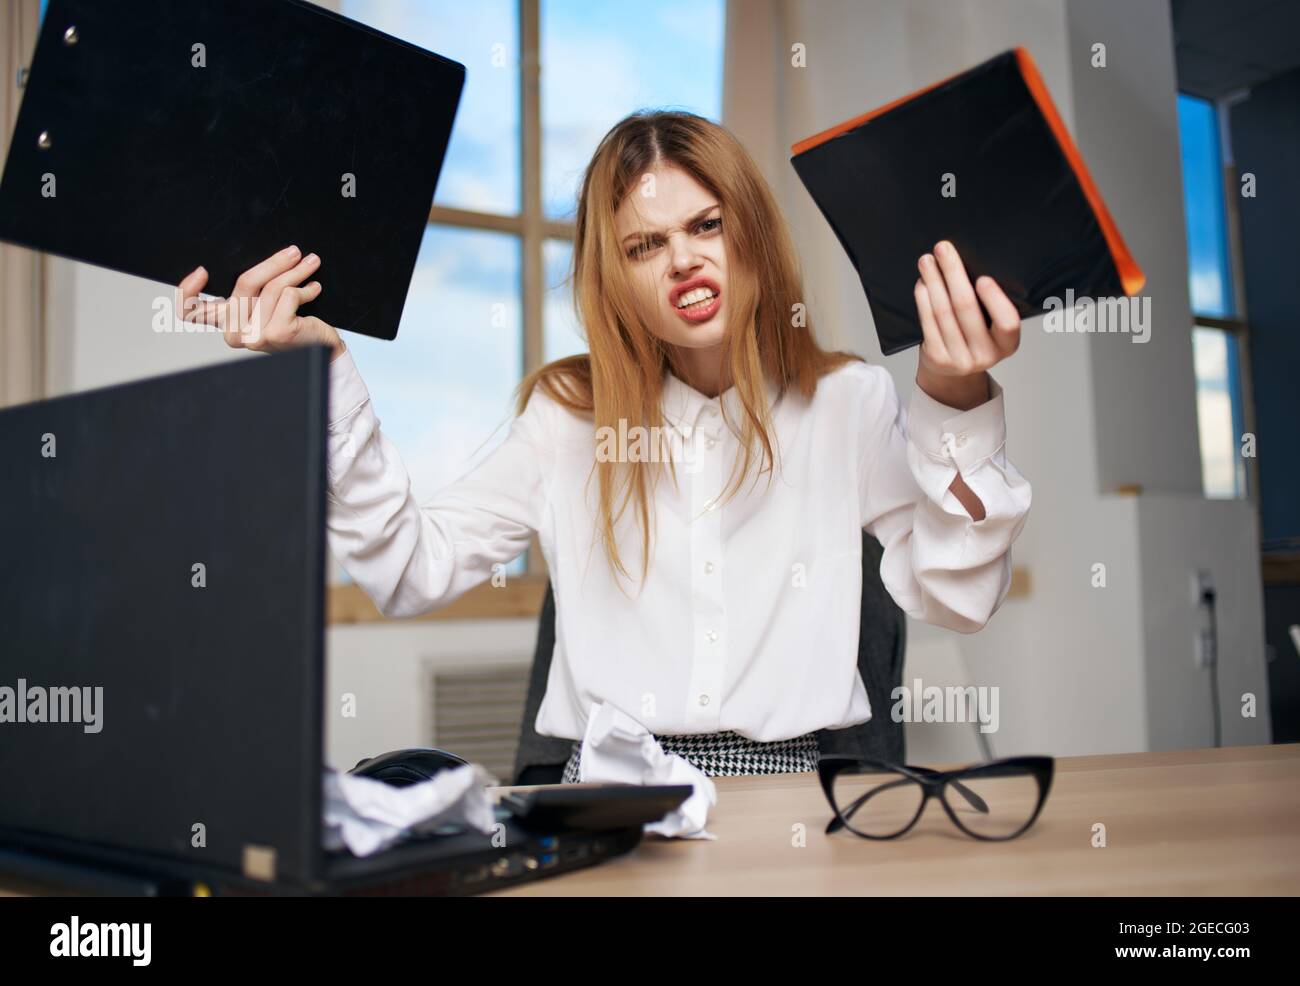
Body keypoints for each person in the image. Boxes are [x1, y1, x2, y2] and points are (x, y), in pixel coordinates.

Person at [176, 110, 1031, 782]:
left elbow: (956, 597)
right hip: (611, 800)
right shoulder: (565, 415)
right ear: (614, 277)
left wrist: (954, 395)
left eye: (706, 225)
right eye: (645, 245)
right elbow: (408, 571)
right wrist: (325, 374)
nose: (685, 262)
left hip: (790, 794)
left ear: (754, 242)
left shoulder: (847, 400)